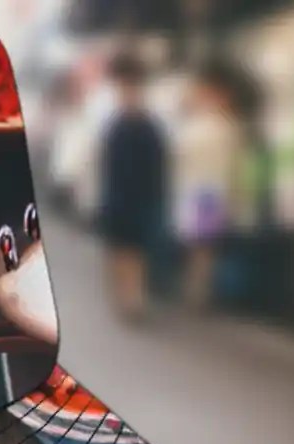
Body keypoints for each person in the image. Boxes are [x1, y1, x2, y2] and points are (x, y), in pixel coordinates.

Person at [96, 51, 169, 322]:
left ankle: (133, 298)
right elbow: (105, 165)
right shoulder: (116, 124)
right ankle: (127, 295)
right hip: (117, 196)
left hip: (137, 197)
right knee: (120, 250)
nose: (127, 92)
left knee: (134, 251)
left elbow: (158, 166)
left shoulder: (147, 126)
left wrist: (156, 197)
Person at [173, 58, 246, 313]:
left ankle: (196, 292)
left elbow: (182, 154)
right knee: (202, 247)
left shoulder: (214, 126)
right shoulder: (223, 126)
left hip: (206, 193)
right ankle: (197, 290)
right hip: (204, 192)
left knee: (202, 247)